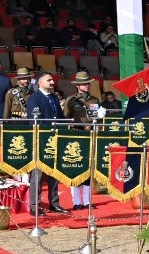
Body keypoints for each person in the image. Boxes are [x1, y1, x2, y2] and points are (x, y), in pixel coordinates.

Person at [26, 72, 67, 215]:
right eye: (48, 80)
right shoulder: (34, 99)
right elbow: (35, 120)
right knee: (37, 174)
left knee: (54, 173)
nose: (52, 82)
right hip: (41, 140)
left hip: (55, 139)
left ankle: (54, 203)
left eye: (52, 80)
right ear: (40, 83)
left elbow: (60, 117)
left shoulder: (54, 97)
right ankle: (34, 206)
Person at [63, 71, 101, 209]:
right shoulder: (71, 100)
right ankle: (76, 202)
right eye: (84, 84)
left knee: (88, 167)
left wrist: (99, 120)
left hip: (90, 135)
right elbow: (66, 119)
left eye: (88, 83)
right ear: (78, 85)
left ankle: (87, 201)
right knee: (76, 167)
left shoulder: (94, 100)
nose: (87, 86)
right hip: (76, 135)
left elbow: (97, 117)